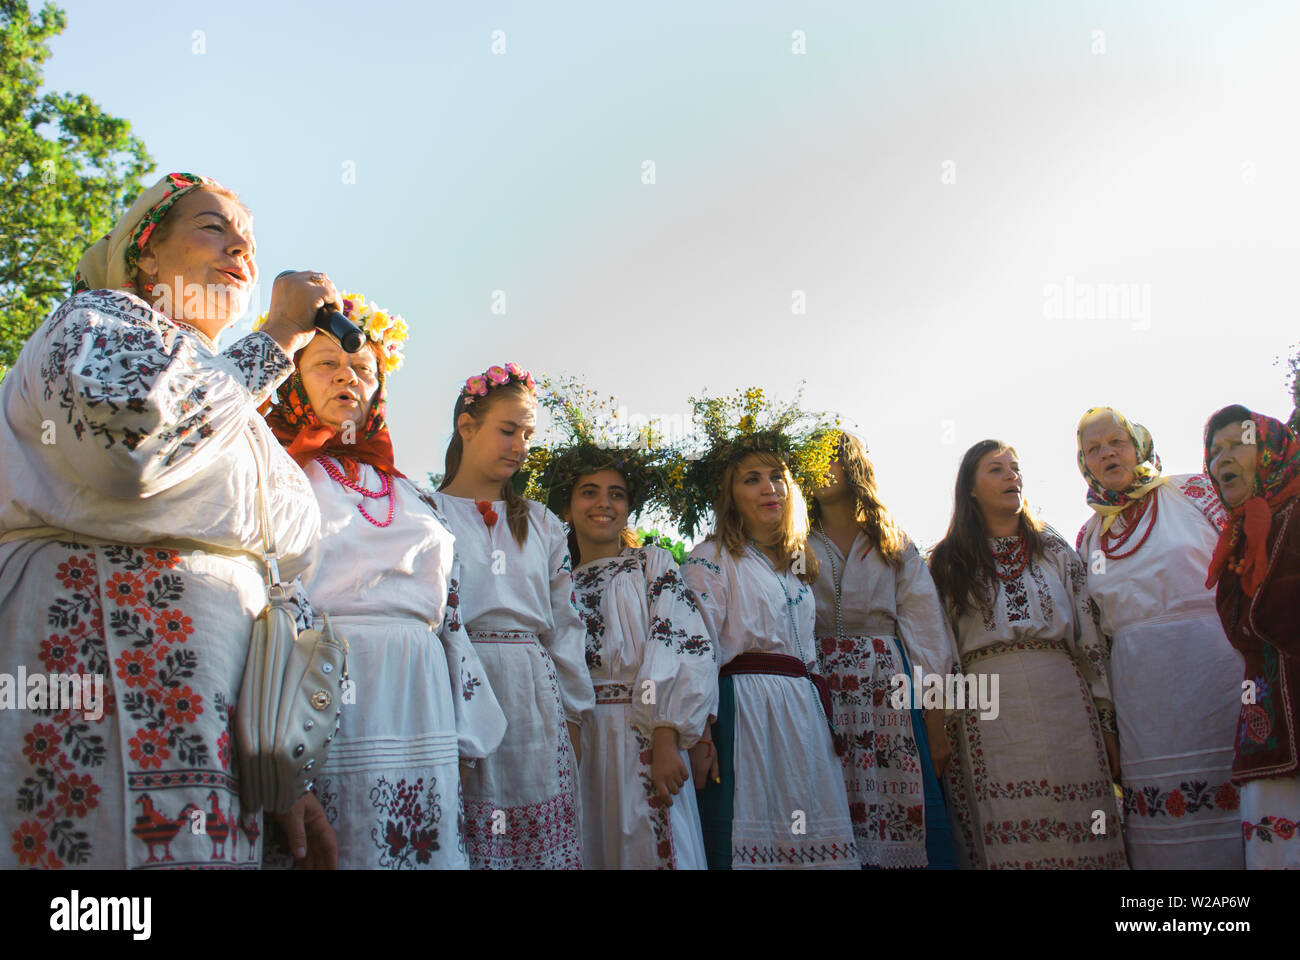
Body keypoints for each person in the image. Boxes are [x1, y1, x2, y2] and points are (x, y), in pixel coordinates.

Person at [1, 172, 335, 869]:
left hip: (220, 720)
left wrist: (282, 764)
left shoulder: (231, 397)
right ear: (144, 252)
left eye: (248, 238)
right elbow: (131, 448)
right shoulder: (94, 321)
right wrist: (276, 338)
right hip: (97, 670)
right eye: (213, 227)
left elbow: (282, 558)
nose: (239, 247)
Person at [259, 293, 506, 868]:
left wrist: (466, 722)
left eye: (362, 369)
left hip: (419, 693)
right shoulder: (274, 473)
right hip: (326, 687)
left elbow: (451, 614)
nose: (348, 378)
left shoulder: (414, 495)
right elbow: (264, 594)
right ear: (292, 378)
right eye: (326, 364)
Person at [524, 385, 717, 869]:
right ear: (566, 507)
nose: (603, 503)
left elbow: (679, 641)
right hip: (578, 740)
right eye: (589, 492)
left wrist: (669, 735)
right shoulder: (554, 579)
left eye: (616, 494)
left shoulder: (648, 566)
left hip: (643, 732)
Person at [674, 391, 858, 869]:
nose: (768, 487)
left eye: (777, 476)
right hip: (745, 712)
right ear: (731, 496)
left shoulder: (797, 565)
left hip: (803, 717)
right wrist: (699, 736)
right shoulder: (710, 556)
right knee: (745, 838)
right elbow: (696, 651)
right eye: (752, 479)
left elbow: (808, 654)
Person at [929, 439, 1126, 869]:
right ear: (971, 489)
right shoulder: (947, 563)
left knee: (1083, 829)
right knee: (1009, 834)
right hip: (988, 718)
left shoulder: (1053, 550)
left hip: (1067, 710)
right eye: (996, 469)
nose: (1011, 476)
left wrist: (1107, 723)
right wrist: (939, 726)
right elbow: (937, 647)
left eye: (1015, 468)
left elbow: (1089, 640)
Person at [432, 364, 595, 869]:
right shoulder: (425, 512)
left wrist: (574, 714)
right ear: (466, 426)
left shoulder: (543, 523)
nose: (520, 445)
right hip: (455, 683)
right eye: (508, 430)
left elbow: (565, 626)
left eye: (528, 434)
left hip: (532, 692)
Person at [1074, 407, 1243, 869]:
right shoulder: (1089, 538)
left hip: (1217, 670)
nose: (1107, 452)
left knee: (1237, 809)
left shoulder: (1196, 492)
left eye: (1116, 441)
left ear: (1138, 444)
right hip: (1143, 697)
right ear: (1084, 463)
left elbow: (1248, 564)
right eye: (1093, 448)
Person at [808, 430, 959, 869]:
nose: (822, 469)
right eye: (812, 461)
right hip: (819, 693)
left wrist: (934, 723)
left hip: (888, 693)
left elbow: (927, 632)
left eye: (831, 458)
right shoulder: (792, 541)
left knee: (909, 815)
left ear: (853, 464)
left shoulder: (892, 539)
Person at [1204, 405, 1300, 869]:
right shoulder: (1238, 539)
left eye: (1237, 443)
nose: (1222, 457)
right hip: (1267, 727)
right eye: (1214, 450)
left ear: (1271, 451)